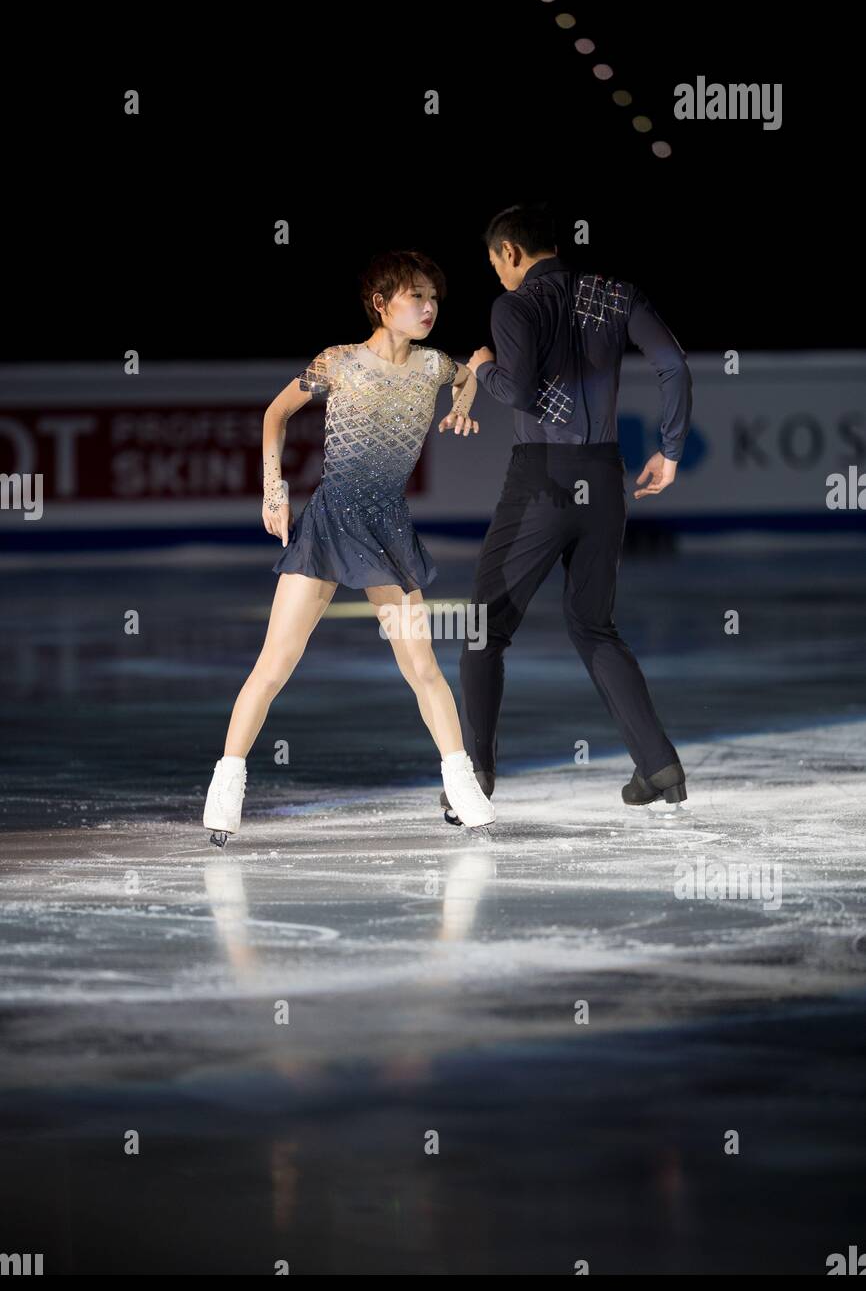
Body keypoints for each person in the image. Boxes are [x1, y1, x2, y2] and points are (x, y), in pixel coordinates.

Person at [203, 249, 495, 843]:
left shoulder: (435, 365)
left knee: (422, 666)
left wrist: (464, 403)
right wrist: (272, 488)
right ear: (381, 304)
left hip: (387, 527)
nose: (428, 306)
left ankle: (463, 789)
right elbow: (275, 413)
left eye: (434, 297)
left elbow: (476, 365)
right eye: (415, 296)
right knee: (275, 663)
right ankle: (224, 792)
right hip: (329, 520)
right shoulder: (337, 361)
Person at [440, 202, 693, 821]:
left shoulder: (514, 305)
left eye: (495, 261)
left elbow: (518, 390)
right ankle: (658, 766)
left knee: (484, 628)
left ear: (510, 253)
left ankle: (475, 781)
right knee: (593, 625)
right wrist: (670, 450)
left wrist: (482, 367)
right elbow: (673, 365)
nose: (497, 272)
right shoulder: (614, 293)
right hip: (605, 477)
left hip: (542, 482)